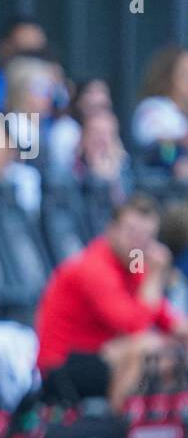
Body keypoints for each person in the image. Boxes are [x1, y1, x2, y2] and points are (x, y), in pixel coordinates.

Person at [35, 195, 188, 412]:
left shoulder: (134, 266)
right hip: (61, 367)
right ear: (112, 230)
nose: (139, 242)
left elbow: (167, 319)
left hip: (105, 356)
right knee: (145, 346)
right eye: (132, 233)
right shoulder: (94, 267)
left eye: (147, 236)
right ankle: (122, 424)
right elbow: (133, 326)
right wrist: (154, 277)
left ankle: (170, 421)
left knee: (173, 351)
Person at [130, 45, 188, 179]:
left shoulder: (182, 112)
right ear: (168, 76)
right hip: (162, 187)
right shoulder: (153, 108)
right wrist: (178, 144)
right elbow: (156, 149)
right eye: (185, 73)